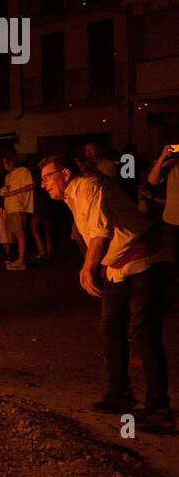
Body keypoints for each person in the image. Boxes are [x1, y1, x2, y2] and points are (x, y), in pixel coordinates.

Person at [41, 155, 172, 429]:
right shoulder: (73, 195)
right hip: (117, 268)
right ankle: (119, 394)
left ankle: (159, 409)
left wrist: (88, 268)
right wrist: (98, 265)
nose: (43, 185)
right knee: (111, 329)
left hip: (143, 262)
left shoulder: (89, 186)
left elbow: (101, 233)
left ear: (65, 173)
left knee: (144, 333)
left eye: (46, 177)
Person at [1, 154, 39, 270]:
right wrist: (4, 192)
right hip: (10, 207)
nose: (5, 165)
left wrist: (13, 192)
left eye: (6, 162)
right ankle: (19, 258)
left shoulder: (23, 171)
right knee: (17, 234)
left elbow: (31, 185)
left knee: (20, 233)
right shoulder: (8, 176)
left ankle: (21, 260)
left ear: (12, 162)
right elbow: (7, 189)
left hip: (18, 206)